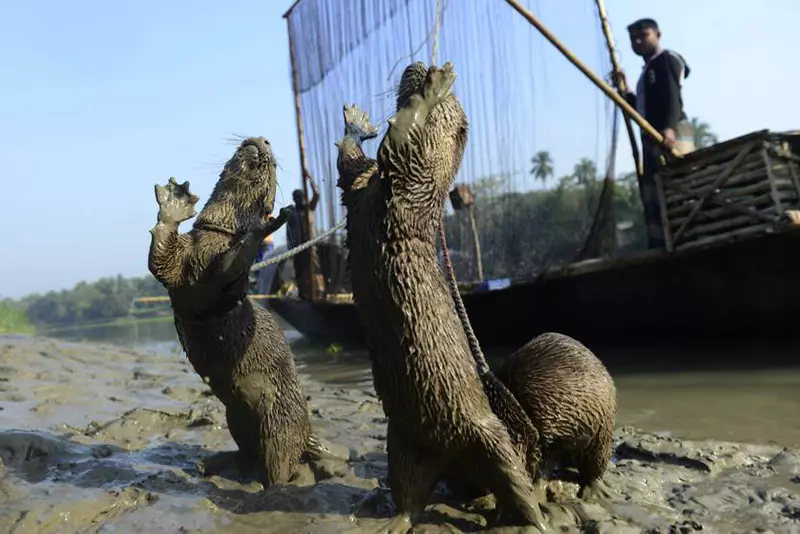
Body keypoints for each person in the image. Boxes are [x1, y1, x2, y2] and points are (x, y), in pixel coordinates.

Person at [614, 18, 695, 250]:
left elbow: (673, 97)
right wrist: (625, 88)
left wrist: (669, 128)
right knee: (656, 193)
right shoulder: (647, 72)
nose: (638, 41)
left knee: (678, 187)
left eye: (643, 35)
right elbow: (640, 110)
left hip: (670, 132)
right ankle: (665, 245)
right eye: (633, 39)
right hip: (652, 137)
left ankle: (686, 239)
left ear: (657, 34)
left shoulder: (665, 60)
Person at [285, 171, 323, 300]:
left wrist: (310, 178)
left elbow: (317, 193)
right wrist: (291, 246)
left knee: (314, 268)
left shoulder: (309, 208)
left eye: (300, 197)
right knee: (300, 271)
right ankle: (303, 294)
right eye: (296, 198)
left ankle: (318, 292)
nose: (299, 200)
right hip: (298, 247)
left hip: (310, 245)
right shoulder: (292, 213)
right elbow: (289, 232)